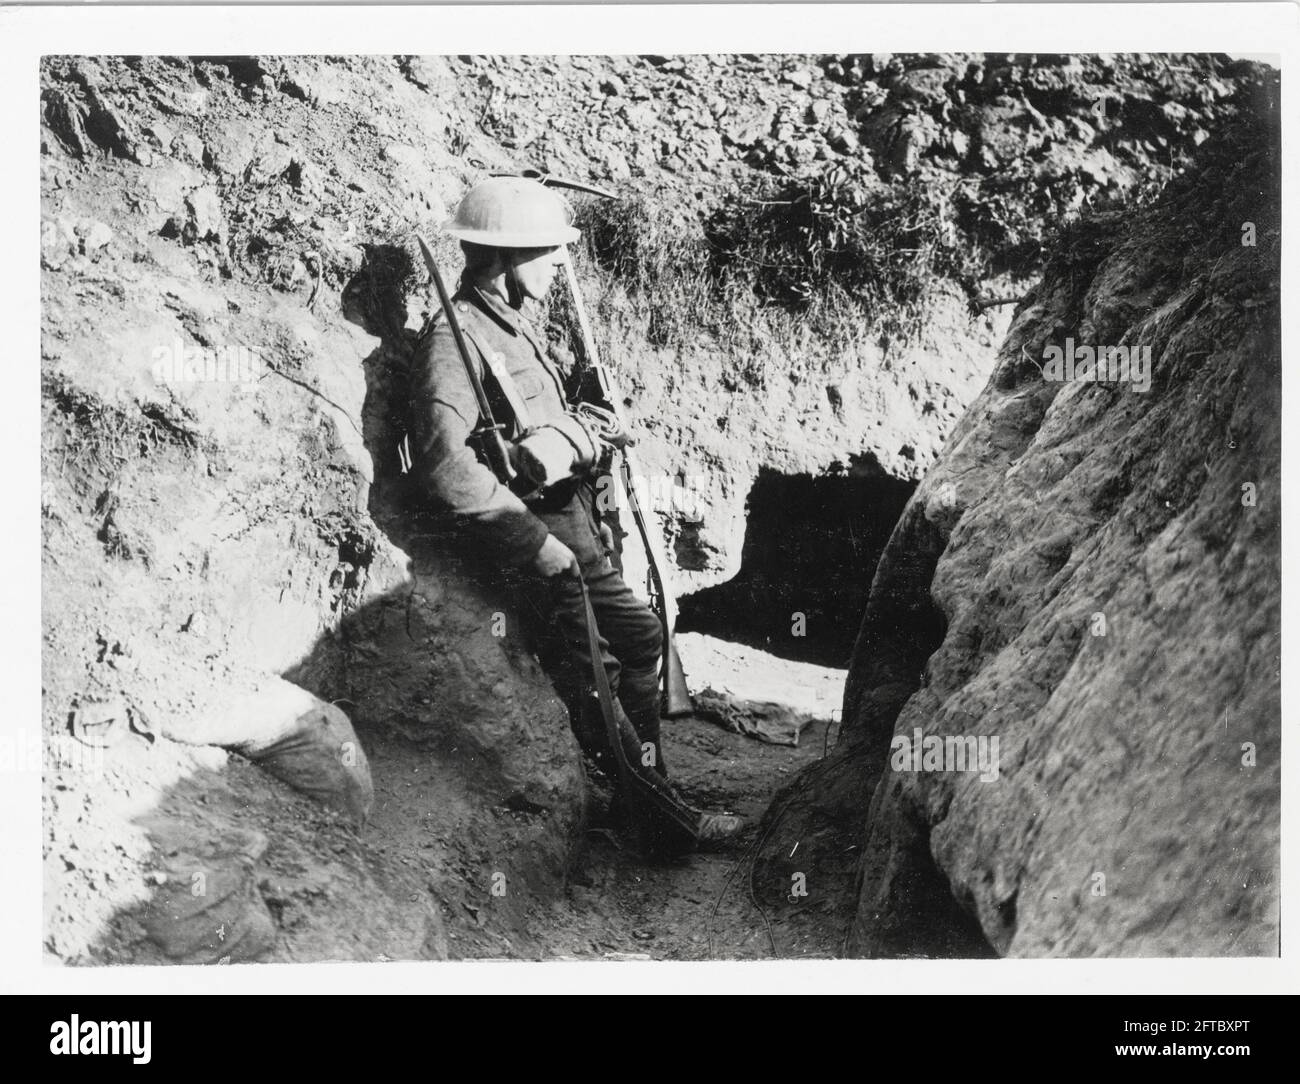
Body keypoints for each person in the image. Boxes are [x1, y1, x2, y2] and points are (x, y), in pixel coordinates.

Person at [406, 175, 744, 854]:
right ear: (505, 259)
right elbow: (447, 467)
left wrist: (591, 424)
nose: (560, 265)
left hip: (574, 515)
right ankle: (656, 819)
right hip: (533, 534)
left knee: (643, 638)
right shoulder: (455, 340)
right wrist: (532, 543)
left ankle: (648, 783)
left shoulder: (509, 326)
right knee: (592, 674)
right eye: (547, 253)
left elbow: (532, 418)